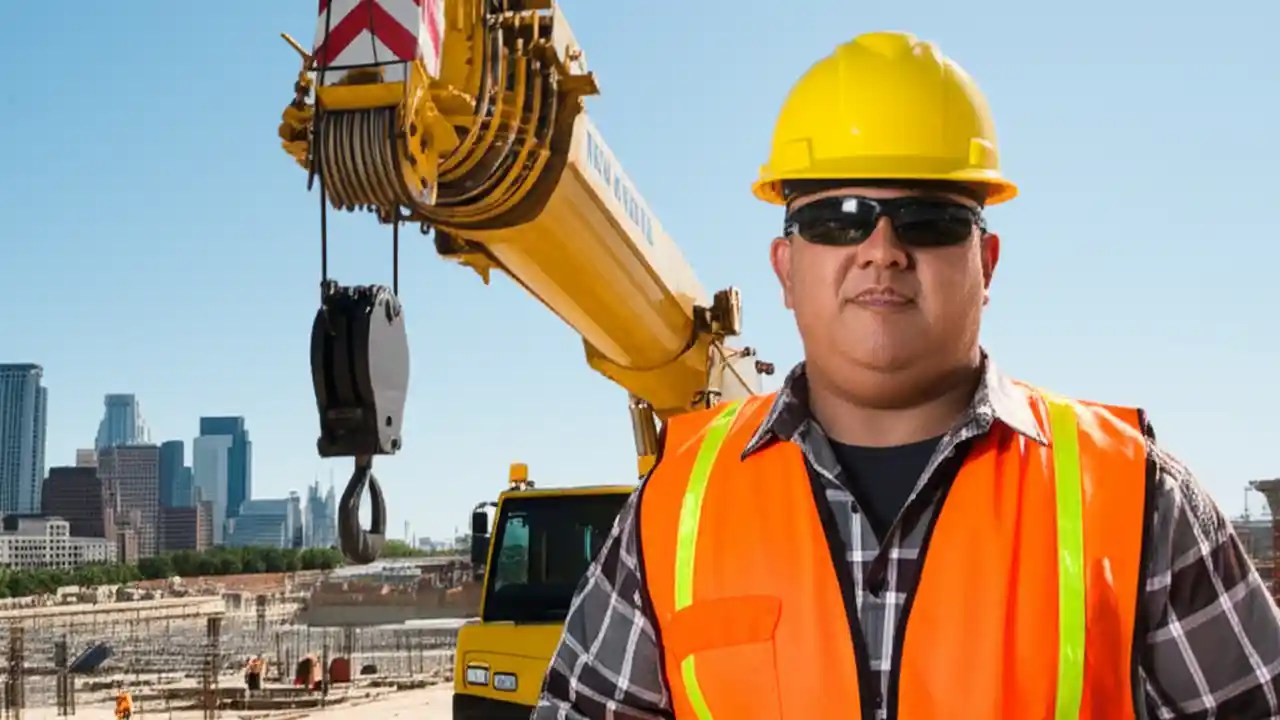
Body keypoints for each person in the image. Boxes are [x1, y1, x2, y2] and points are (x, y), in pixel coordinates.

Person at [533, 30, 1280, 719]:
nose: (882, 249)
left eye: (929, 219)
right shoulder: (673, 513)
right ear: (785, 268)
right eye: (837, 218)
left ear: (986, 264)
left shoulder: (1137, 500)